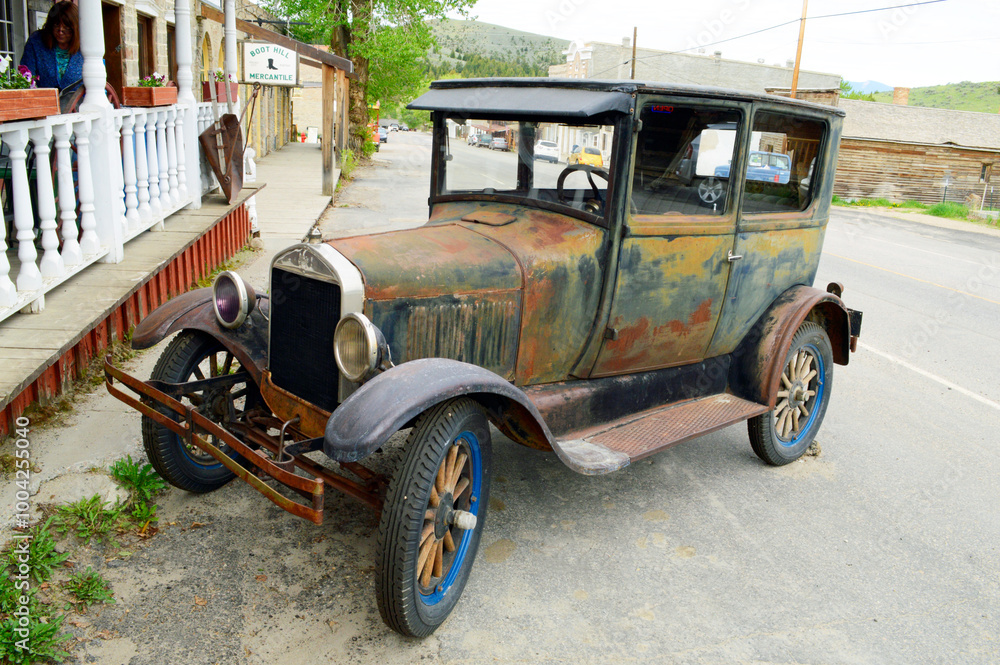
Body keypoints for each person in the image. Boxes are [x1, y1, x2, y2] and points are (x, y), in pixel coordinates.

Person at [19, 2, 83, 91]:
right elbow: (26, 77)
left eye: (67, 27)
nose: (60, 30)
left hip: (77, 104)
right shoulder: (36, 41)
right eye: (56, 25)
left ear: (75, 28)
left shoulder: (84, 45)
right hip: (42, 102)